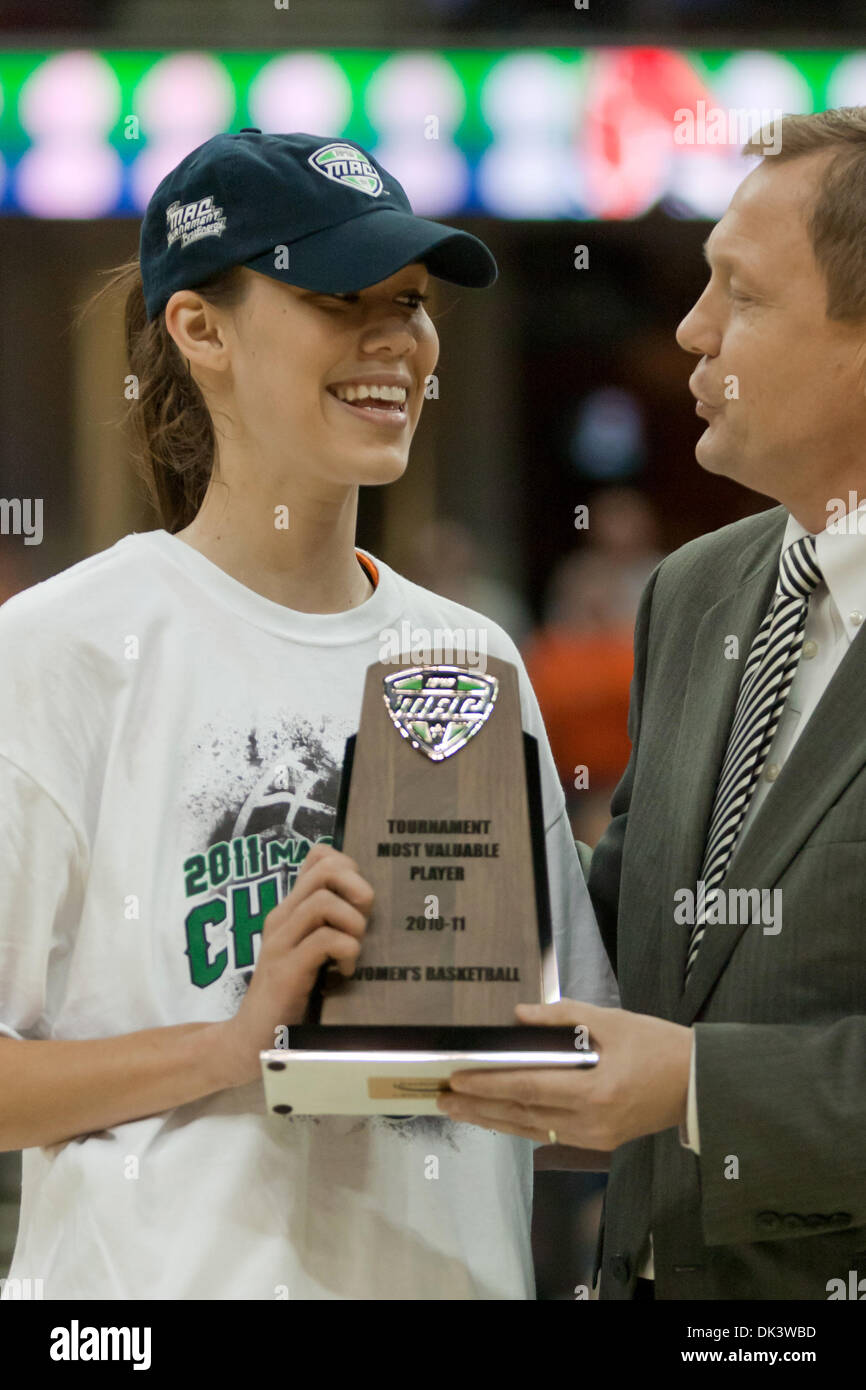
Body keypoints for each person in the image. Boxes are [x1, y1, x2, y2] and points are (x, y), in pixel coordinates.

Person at [0, 130, 618, 1301]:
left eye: (411, 301)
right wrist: (236, 1048)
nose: (395, 338)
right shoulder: (58, 651)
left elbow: (566, 1087)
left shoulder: (468, 656)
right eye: (339, 296)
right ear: (199, 328)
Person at [436, 106, 866, 1300]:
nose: (687, 328)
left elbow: (672, 1056)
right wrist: (406, 897)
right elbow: (630, 933)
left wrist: (692, 1090)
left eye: (738, 291)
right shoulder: (695, 590)